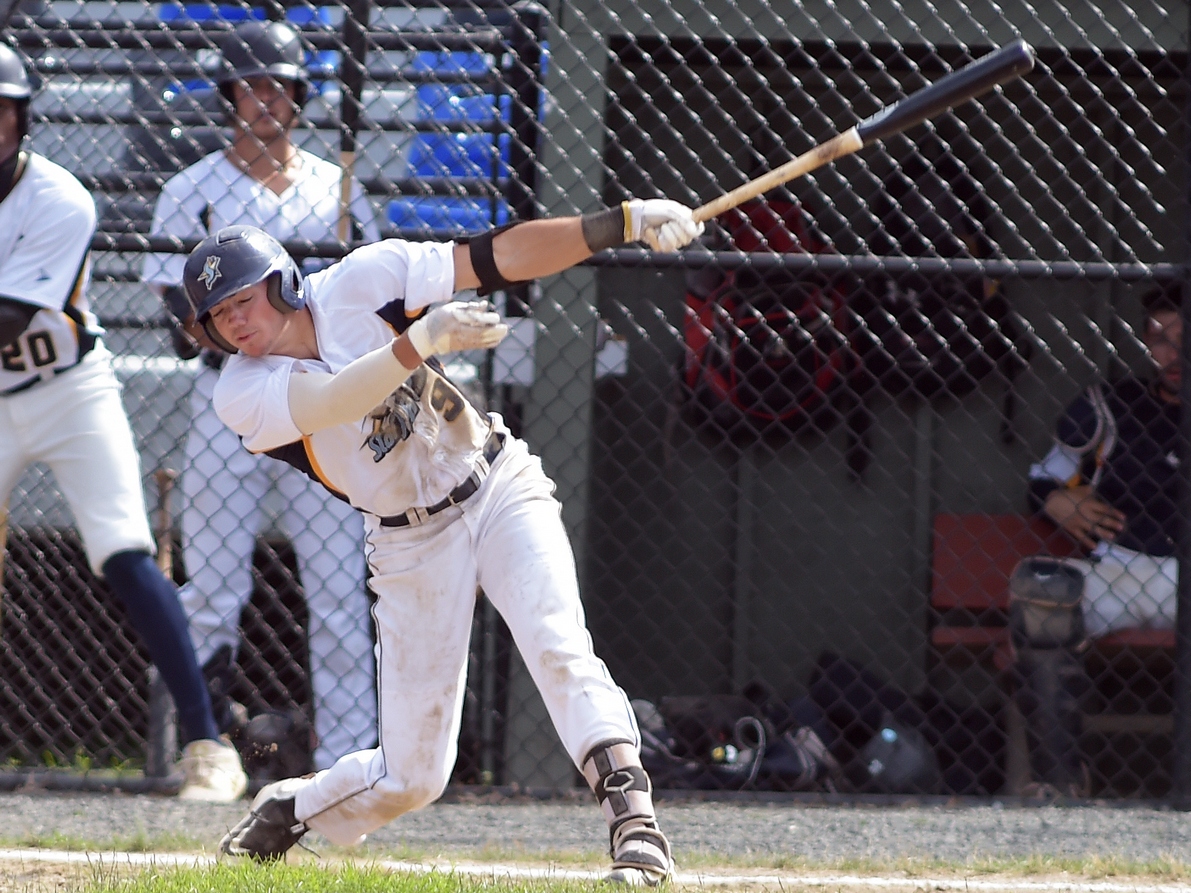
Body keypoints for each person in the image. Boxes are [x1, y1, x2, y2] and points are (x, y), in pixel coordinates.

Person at [182, 197, 703, 881]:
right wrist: (419, 343)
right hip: (410, 541)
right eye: (219, 315)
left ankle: (635, 826)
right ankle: (296, 807)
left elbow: (498, 256)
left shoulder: (366, 278)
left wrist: (622, 224)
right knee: (414, 776)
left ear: (282, 282)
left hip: (494, 482)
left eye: (242, 300)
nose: (235, 323)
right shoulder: (240, 392)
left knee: (558, 644)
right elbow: (333, 400)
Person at [0, 44, 246, 800]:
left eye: (2, 109)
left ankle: (207, 745)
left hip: (68, 388)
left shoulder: (60, 198)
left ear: (24, 118)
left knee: (124, 551)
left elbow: (9, 318)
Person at [141, 20, 379, 773]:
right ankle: (203, 748)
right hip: (231, 402)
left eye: (278, 85)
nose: (265, 99)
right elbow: (178, 324)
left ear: (300, 97)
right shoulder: (191, 190)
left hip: (323, 399)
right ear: (230, 96)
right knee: (212, 587)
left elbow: (363, 301)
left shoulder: (337, 186)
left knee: (340, 589)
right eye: (251, 86)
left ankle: (354, 760)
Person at [1015, 283, 1182, 795]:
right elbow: (1046, 474)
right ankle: (1063, 781)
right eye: (1160, 338)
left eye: (1186, 337)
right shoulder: (1114, 406)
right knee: (1042, 593)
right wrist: (1056, 500)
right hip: (1121, 568)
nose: (1173, 353)